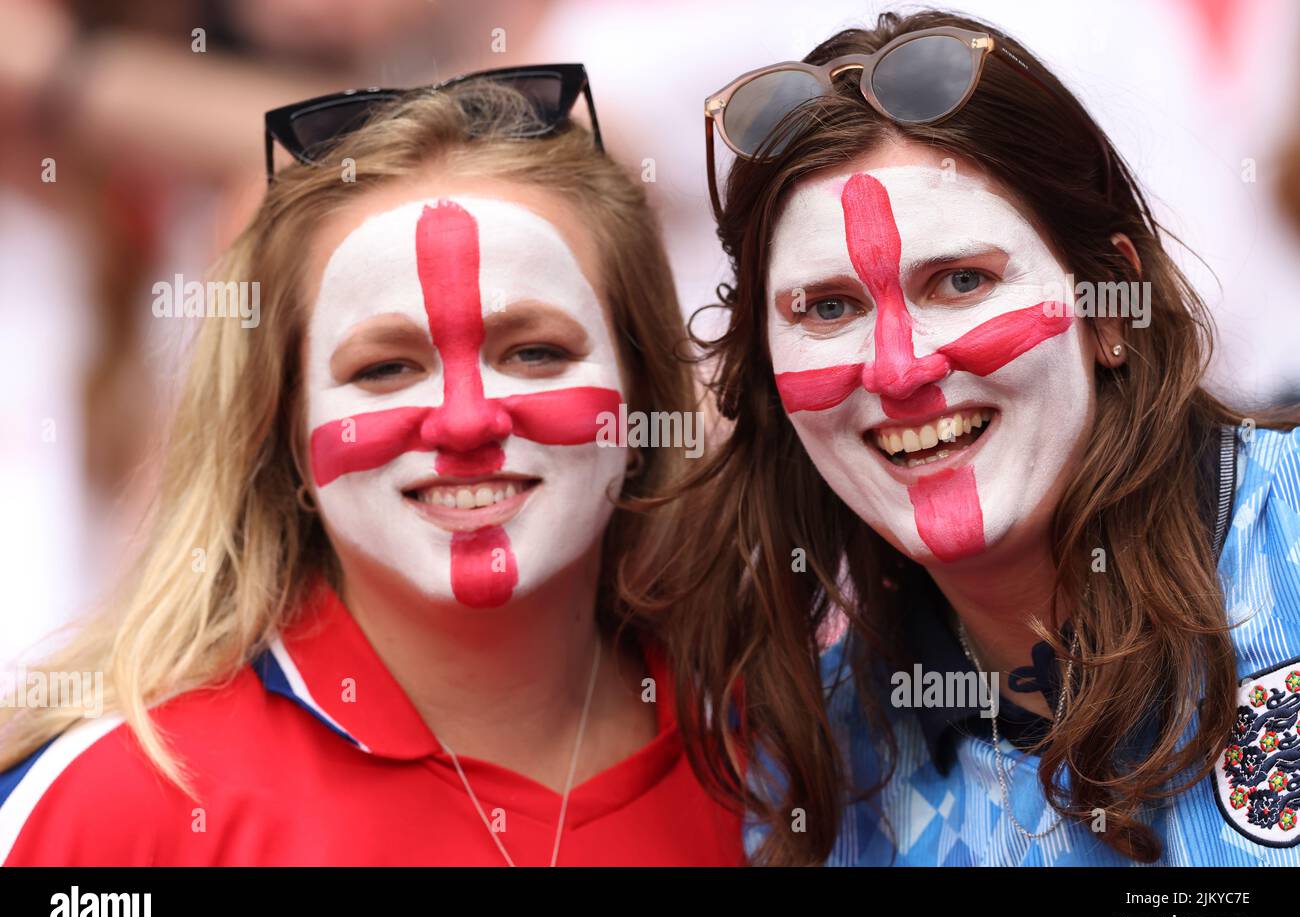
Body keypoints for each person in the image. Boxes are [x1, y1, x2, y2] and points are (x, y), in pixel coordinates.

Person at [0, 69, 743, 866]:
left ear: (641, 393)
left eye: (536, 352)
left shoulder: (783, 751)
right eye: (385, 368)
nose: (466, 420)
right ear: (282, 425)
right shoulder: (122, 803)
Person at [651, 9, 1300, 865]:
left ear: (1110, 307)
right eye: (830, 308)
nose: (898, 369)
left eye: (962, 280)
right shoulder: (820, 762)